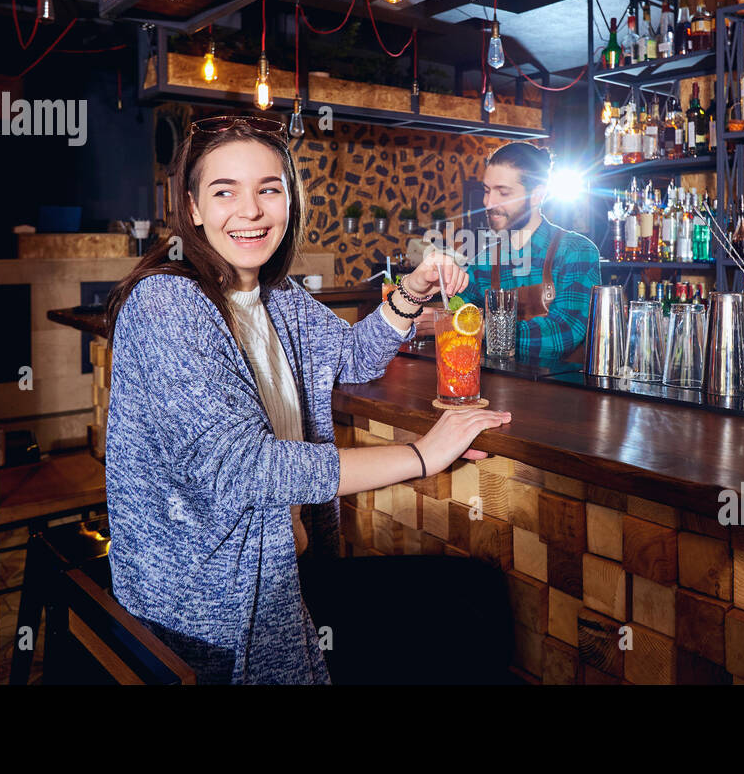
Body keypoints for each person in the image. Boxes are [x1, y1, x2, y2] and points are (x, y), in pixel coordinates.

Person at [103, 115, 513, 684]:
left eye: (269, 190)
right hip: (217, 613)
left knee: (474, 595)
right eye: (225, 192)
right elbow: (244, 466)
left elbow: (349, 358)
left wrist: (410, 295)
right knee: (463, 617)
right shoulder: (166, 303)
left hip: (283, 574)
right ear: (193, 208)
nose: (250, 211)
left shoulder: (275, 294)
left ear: (288, 201)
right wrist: (424, 455)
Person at [453, 142, 601, 358]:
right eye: (487, 191)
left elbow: (566, 332)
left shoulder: (576, 251)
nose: (488, 202)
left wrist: (487, 330)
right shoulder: (484, 260)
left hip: (561, 389)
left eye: (503, 193)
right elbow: (459, 311)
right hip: (497, 388)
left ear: (537, 195)